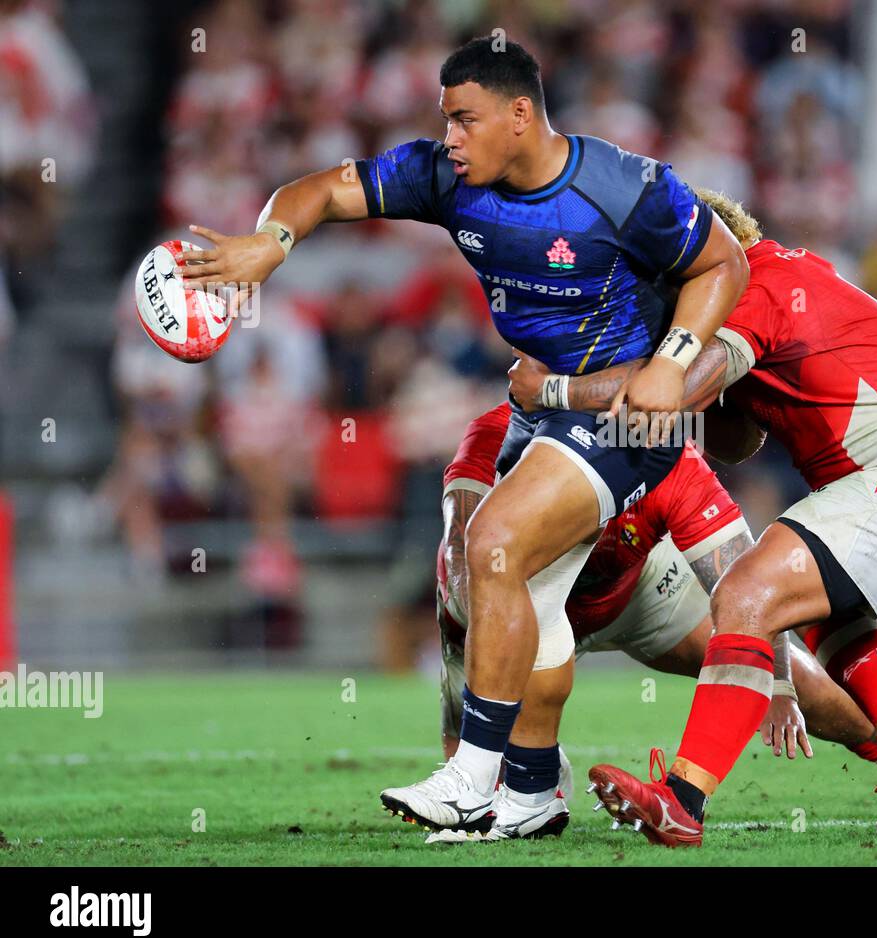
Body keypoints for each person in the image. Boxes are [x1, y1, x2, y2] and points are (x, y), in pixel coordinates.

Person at [178, 37, 749, 834]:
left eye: (464, 119)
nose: (449, 137)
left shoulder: (623, 187)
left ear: (520, 116)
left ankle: (471, 776)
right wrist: (266, 245)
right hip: (538, 414)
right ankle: (534, 793)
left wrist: (675, 361)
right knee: (508, 592)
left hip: (624, 417)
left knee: (495, 543)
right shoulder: (446, 177)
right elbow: (321, 191)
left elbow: (723, 265)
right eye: (445, 119)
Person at [511, 189, 877, 844]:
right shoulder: (783, 277)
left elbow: (673, 397)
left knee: (746, 589)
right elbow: (736, 439)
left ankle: (682, 801)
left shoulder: (750, 288)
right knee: (823, 608)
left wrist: (555, 389)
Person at [380, 403, 877, 840]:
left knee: (796, 682)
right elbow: (463, 553)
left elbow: (744, 586)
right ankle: (530, 782)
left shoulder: (658, 453)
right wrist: (483, 622)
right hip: (510, 609)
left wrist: (778, 681)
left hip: (641, 592)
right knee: (472, 785)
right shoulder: (495, 435)